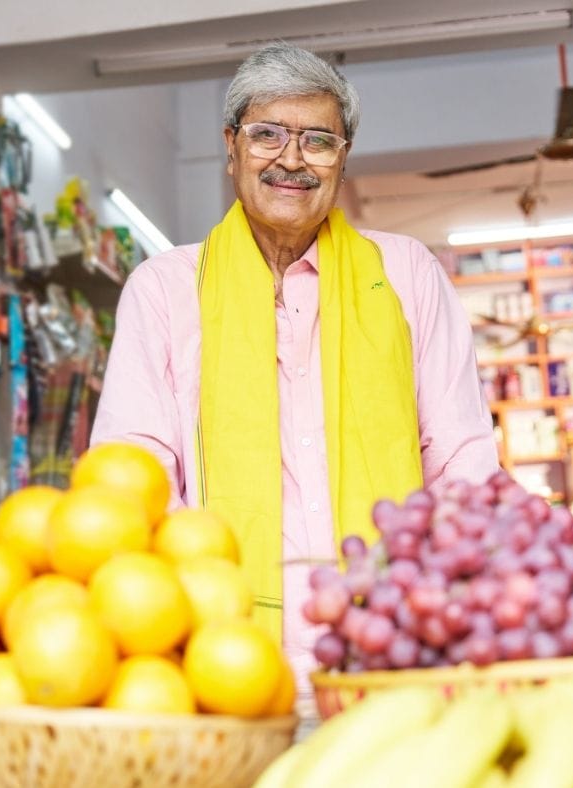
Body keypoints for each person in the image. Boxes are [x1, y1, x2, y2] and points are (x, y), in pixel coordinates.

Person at [91, 42, 498, 701]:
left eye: (318, 140)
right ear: (230, 147)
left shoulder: (405, 274)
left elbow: (462, 463)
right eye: (267, 134)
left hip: (400, 655)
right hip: (228, 663)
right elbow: (133, 477)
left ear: (343, 157)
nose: (291, 159)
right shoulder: (165, 289)